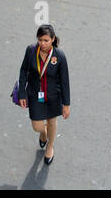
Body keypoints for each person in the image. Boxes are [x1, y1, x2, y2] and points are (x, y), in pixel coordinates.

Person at [16, 24, 70, 166]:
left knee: (52, 122)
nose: (43, 43)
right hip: (35, 95)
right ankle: (43, 133)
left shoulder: (59, 56)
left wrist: (66, 104)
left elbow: (65, 81)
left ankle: (50, 147)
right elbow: (23, 71)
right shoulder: (31, 51)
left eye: (46, 40)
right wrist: (22, 93)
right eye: (40, 40)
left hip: (53, 96)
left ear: (52, 39)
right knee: (37, 126)